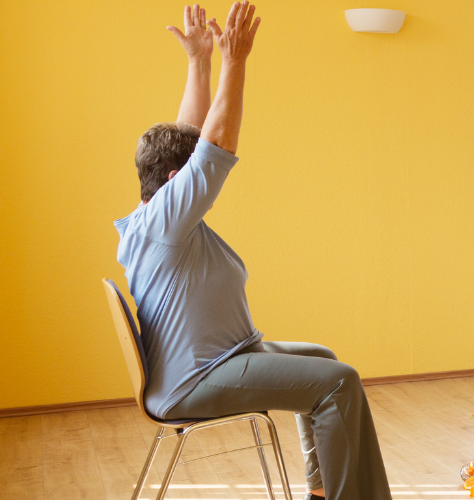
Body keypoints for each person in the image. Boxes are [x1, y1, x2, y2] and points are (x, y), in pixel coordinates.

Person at [115, 4, 391, 500]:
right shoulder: (168, 219)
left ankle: (322, 489)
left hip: (215, 360)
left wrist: (199, 63)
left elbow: (190, 140)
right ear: (178, 184)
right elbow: (215, 141)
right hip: (198, 378)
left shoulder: (152, 214)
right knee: (339, 382)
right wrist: (234, 61)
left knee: (324, 360)